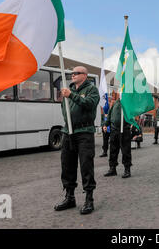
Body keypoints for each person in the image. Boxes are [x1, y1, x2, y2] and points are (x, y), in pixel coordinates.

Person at [54, 66, 99, 215]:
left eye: (76, 73)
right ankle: (70, 197)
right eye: (72, 73)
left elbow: (89, 104)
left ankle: (89, 199)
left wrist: (72, 96)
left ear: (85, 75)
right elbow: (64, 109)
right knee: (67, 165)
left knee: (86, 165)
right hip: (68, 132)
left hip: (84, 132)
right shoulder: (69, 89)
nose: (73, 75)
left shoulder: (92, 90)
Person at [103, 98, 133, 178]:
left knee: (126, 150)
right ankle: (112, 169)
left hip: (124, 130)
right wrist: (106, 124)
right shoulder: (115, 103)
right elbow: (109, 114)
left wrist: (132, 123)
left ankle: (127, 169)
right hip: (114, 130)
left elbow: (132, 114)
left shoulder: (128, 102)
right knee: (113, 150)